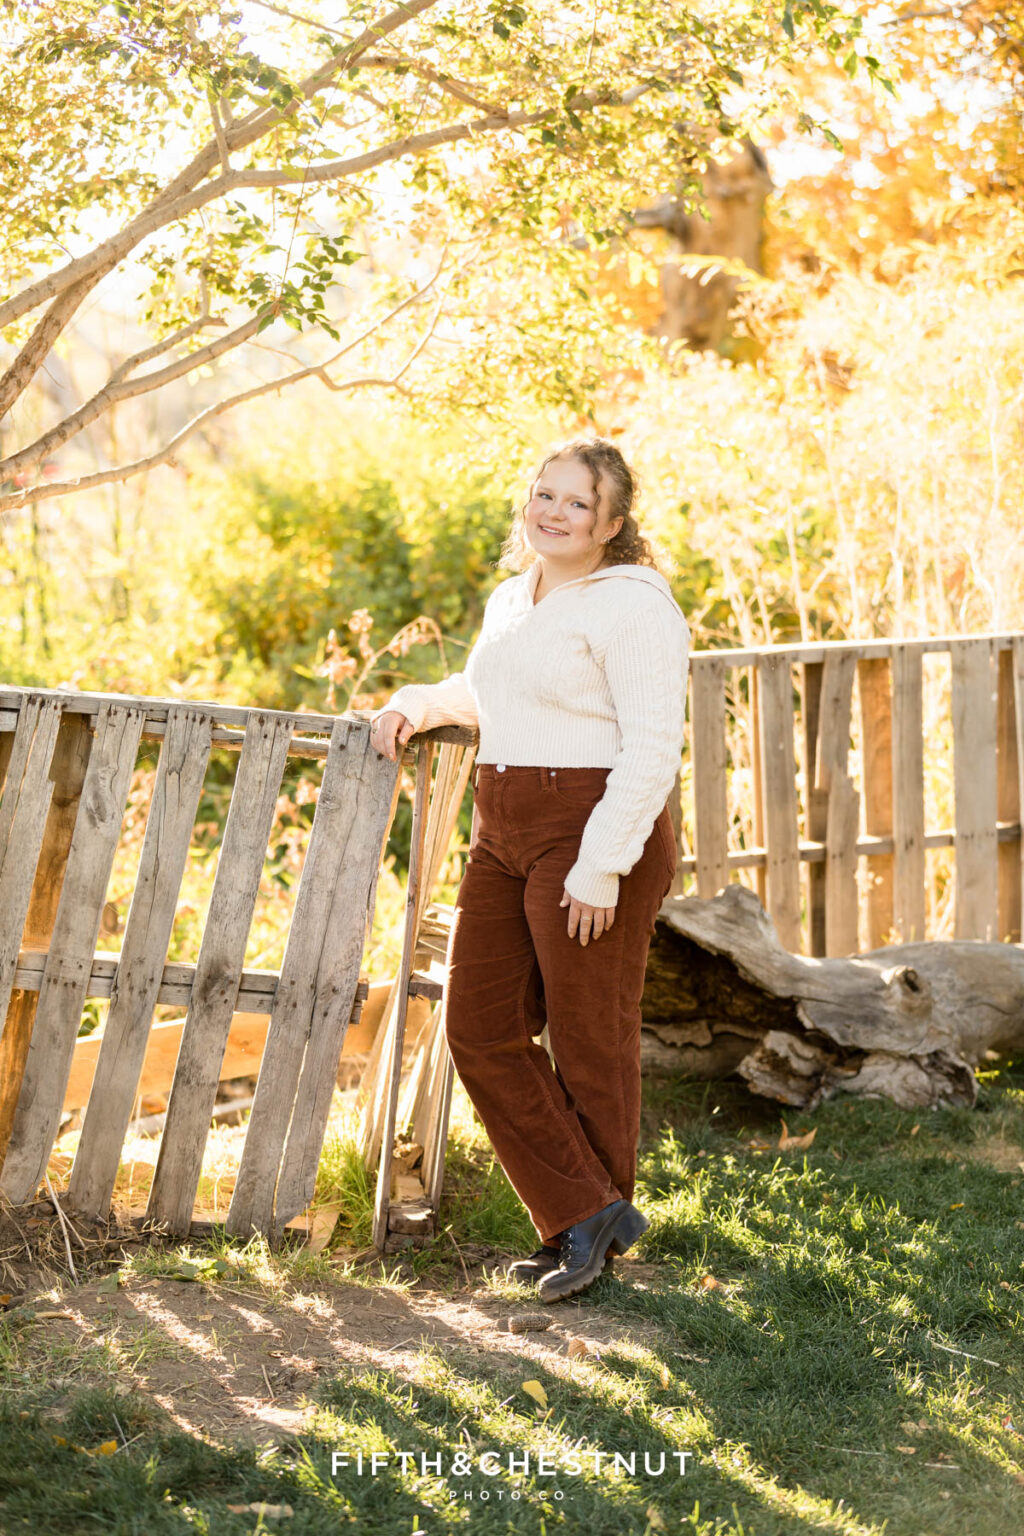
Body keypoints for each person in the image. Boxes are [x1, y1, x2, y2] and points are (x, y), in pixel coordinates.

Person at [370, 436, 690, 1302]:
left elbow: (655, 743)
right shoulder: (516, 597)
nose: (553, 512)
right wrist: (417, 702)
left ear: (613, 523)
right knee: (480, 1028)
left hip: (592, 829)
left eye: (576, 502)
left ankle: (586, 1230)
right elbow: (496, 698)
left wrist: (602, 863)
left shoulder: (635, 604)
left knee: (589, 1036)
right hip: (504, 824)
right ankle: (588, 1210)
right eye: (543, 495)